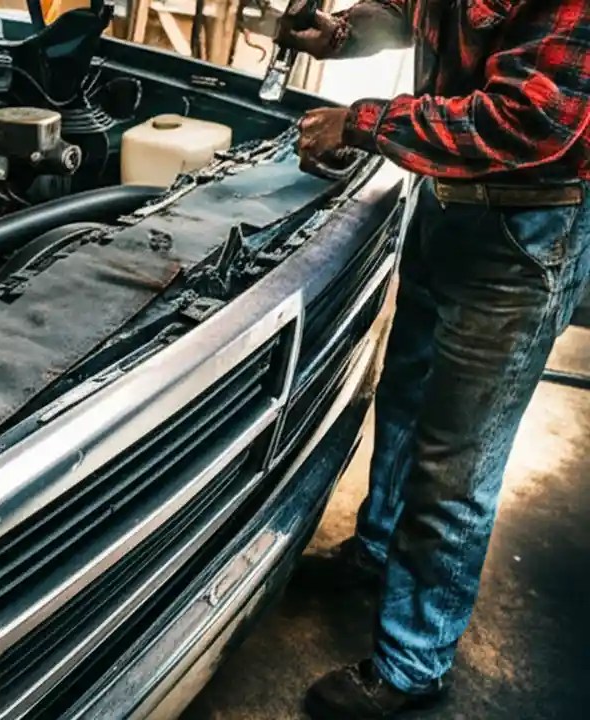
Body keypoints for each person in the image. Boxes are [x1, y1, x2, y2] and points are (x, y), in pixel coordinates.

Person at [277, 0, 590, 718]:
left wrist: (363, 122)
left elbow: (531, 121)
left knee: (457, 463)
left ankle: (415, 661)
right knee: (408, 391)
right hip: (447, 198)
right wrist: (341, 33)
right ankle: (377, 550)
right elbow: (414, 11)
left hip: (524, 228)